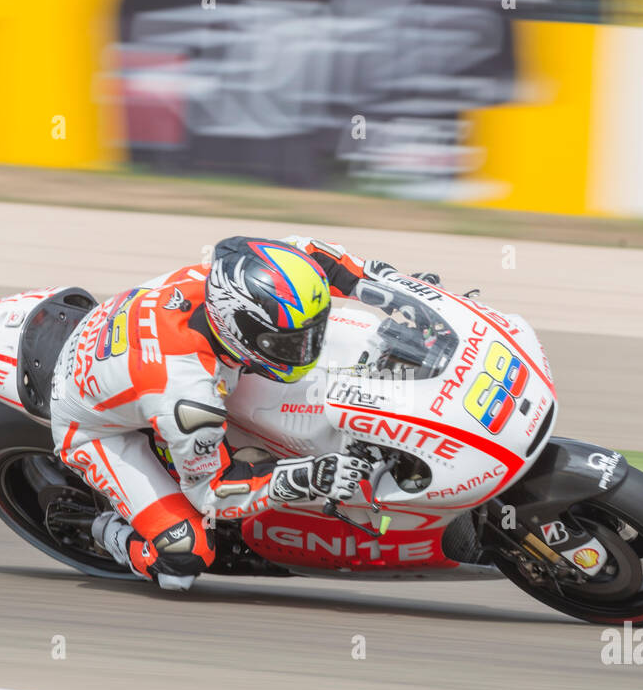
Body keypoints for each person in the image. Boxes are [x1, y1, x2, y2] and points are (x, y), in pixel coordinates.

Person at [50, 235, 415, 590]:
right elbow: (212, 492)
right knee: (183, 556)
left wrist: (402, 291)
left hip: (128, 354)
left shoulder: (238, 273)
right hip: (93, 428)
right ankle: (106, 530)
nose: (308, 348)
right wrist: (308, 477)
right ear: (239, 330)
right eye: (292, 343)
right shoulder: (187, 394)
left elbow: (312, 257)